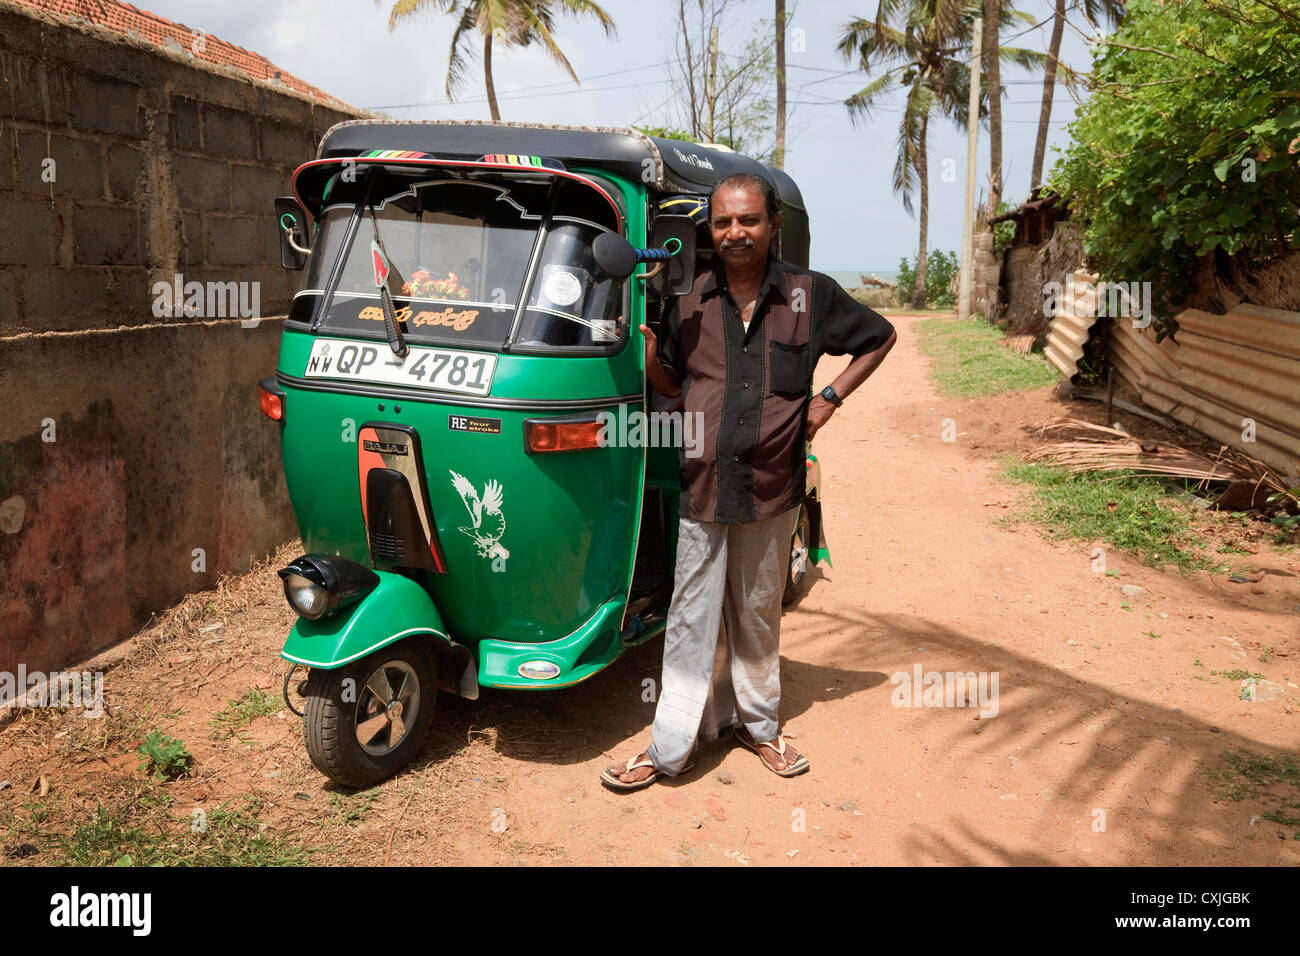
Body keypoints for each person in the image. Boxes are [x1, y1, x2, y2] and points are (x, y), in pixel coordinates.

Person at [600, 171, 897, 791]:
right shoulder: (687, 303)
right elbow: (674, 387)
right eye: (724, 221)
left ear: (773, 226)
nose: (736, 232)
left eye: (749, 220)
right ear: (711, 229)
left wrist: (828, 400)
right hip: (702, 484)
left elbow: (880, 336)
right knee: (689, 615)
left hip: (772, 486)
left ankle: (758, 727)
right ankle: (669, 747)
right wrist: (652, 354)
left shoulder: (810, 297)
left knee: (758, 611)